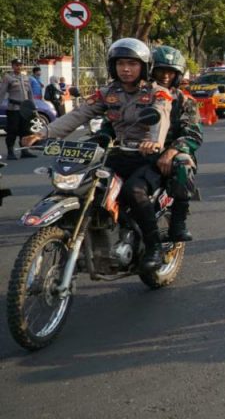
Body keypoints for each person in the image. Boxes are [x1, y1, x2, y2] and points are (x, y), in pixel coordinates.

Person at [24, 39, 172, 271]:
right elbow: (78, 114)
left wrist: (153, 141)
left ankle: (154, 247)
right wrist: (43, 133)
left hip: (146, 157)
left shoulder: (158, 93)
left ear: (143, 66)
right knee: (86, 187)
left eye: (132, 64)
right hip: (117, 153)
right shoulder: (107, 93)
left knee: (134, 190)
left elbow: (160, 118)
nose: (126, 69)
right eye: (121, 63)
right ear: (113, 66)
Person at [150, 45, 203, 243]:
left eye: (170, 72)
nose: (165, 76)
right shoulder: (139, 94)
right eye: (160, 70)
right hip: (136, 147)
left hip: (173, 149)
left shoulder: (184, 100)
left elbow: (193, 133)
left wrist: (171, 151)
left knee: (183, 165)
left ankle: (179, 222)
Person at [0, 58, 36, 160]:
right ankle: (10, 151)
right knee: (13, 130)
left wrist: (33, 108)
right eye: (16, 65)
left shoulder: (25, 77)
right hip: (13, 108)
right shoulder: (8, 77)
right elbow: (2, 92)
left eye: (20, 65)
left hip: (25, 109)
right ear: (12, 66)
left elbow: (30, 94)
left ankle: (24, 150)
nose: (18, 67)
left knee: (25, 130)